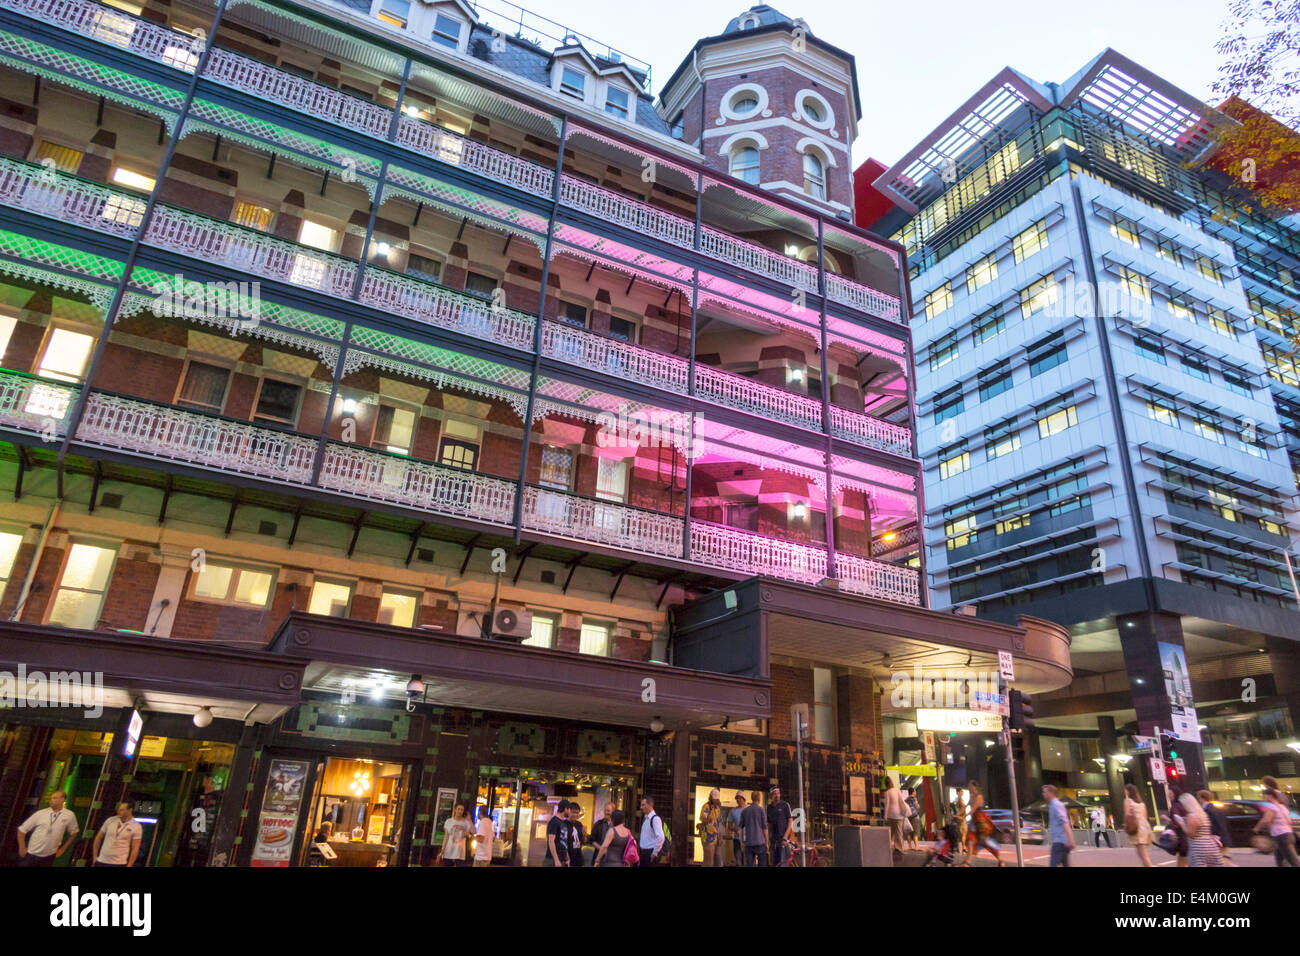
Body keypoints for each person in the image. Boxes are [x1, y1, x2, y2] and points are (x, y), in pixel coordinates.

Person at [16, 789, 78, 867]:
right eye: (51, 798)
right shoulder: (40, 813)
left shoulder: (69, 815)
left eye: (54, 798)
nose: (51, 800)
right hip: (32, 854)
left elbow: (74, 833)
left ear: (62, 800)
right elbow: (22, 830)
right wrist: (22, 847)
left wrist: (62, 849)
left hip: (49, 856)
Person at [1255, 787, 1300, 867]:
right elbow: (1289, 821)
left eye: (1265, 795)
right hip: (1288, 834)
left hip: (1281, 836)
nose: (1264, 797)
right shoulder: (1283, 807)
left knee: (1293, 861)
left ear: (1270, 796)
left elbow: (1266, 820)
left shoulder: (1272, 807)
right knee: (1279, 860)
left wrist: (1257, 828)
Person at [1176, 792, 1223, 867]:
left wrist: (1181, 823)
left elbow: (1192, 834)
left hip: (1198, 847)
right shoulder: (1203, 814)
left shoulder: (1191, 815)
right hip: (1210, 845)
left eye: (1182, 804)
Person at [962, 782, 1003, 866]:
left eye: (970, 785)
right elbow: (965, 807)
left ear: (974, 786)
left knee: (986, 842)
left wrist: (964, 816)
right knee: (970, 841)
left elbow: (973, 810)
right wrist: (959, 814)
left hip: (981, 823)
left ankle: (1000, 860)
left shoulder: (979, 797)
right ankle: (968, 862)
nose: (969, 787)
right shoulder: (972, 796)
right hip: (974, 823)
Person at [93, 802, 142, 868]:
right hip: (101, 861)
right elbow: (98, 838)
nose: (118, 811)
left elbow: (135, 848)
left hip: (119, 863)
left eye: (121, 810)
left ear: (130, 810)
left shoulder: (136, 826)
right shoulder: (110, 820)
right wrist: (95, 857)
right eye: (118, 809)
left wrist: (130, 865)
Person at [1197, 790, 1233, 865]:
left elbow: (1212, 826)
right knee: (1224, 860)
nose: (1198, 800)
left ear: (1202, 798)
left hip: (1215, 840)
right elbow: (1225, 824)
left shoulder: (1206, 811)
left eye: (1199, 798)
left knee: (1217, 862)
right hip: (1224, 838)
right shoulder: (1218, 808)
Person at [1123, 783, 1153, 867]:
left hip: (1136, 828)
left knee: (1143, 855)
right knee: (1142, 853)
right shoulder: (1142, 803)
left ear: (1128, 791)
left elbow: (1127, 814)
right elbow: (1145, 817)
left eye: (1125, 790)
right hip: (1144, 827)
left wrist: (1126, 825)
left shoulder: (1128, 801)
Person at [1045, 784, 1074, 867]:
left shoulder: (1056, 805)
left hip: (1059, 842)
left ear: (1051, 793)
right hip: (1062, 842)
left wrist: (1071, 840)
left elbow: (1065, 822)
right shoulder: (1052, 805)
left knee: (1053, 864)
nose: (1043, 794)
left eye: (1045, 792)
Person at [740, 790, 768, 867]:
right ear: (759, 799)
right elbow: (765, 828)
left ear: (751, 798)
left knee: (749, 864)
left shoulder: (745, 811)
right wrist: (767, 842)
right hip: (760, 842)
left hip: (749, 843)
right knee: (762, 864)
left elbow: (740, 828)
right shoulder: (761, 810)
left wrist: (742, 842)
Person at [767, 786, 793, 866]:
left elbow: (790, 821)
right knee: (775, 863)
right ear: (771, 796)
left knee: (783, 863)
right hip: (774, 841)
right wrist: (767, 840)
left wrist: (785, 837)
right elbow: (769, 825)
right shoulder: (769, 807)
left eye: (778, 793)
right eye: (775, 794)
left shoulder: (785, 805)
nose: (777, 795)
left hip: (783, 840)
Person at [698, 789, 724, 867]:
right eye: (714, 798)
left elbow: (718, 823)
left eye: (717, 799)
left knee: (717, 861)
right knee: (708, 861)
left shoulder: (718, 809)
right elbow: (702, 818)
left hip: (715, 837)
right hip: (707, 837)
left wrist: (720, 835)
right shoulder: (707, 806)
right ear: (711, 798)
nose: (715, 800)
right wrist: (707, 819)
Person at [882, 777, 908, 854]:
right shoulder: (897, 790)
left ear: (886, 784)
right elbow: (901, 801)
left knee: (890, 833)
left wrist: (885, 816)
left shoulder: (887, 792)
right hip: (899, 814)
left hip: (891, 815)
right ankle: (899, 848)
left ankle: (888, 847)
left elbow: (887, 805)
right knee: (899, 832)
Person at [638, 796, 665, 866]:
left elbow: (661, 837)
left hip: (649, 854)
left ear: (650, 805)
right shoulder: (646, 819)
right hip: (645, 854)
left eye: (643, 805)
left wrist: (654, 853)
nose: (641, 807)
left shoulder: (655, 819)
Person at [544, 800, 571, 867]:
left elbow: (564, 841)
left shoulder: (563, 823)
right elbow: (551, 841)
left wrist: (567, 857)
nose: (570, 812)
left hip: (562, 859)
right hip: (553, 859)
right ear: (565, 809)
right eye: (569, 809)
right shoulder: (554, 821)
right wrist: (556, 859)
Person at [727, 792, 747, 866]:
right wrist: (736, 830)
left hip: (749, 840)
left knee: (749, 861)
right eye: (736, 798)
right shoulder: (733, 811)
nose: (738, 800)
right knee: (738, 861)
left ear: (743, 799)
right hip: (737, 840)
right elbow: (729, 826)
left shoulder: (749, 809)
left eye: (739, 798)